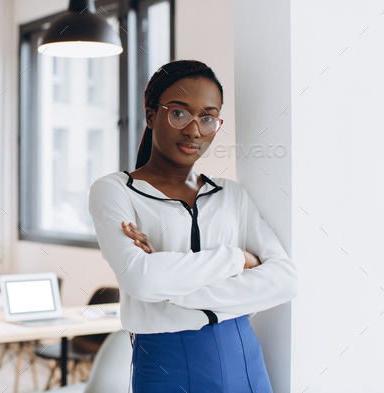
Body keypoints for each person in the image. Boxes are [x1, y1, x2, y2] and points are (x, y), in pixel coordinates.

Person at [87, 59, 298, 393]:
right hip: (166, 365)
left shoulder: (231, 194)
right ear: (151, 115)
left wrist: (171, 289)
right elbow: (142, 282)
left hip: (245, 359)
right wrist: (236, 260)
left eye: (208, 117)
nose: (194, 130)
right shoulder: (114, 191)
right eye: (179, 113)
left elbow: (285, 280)